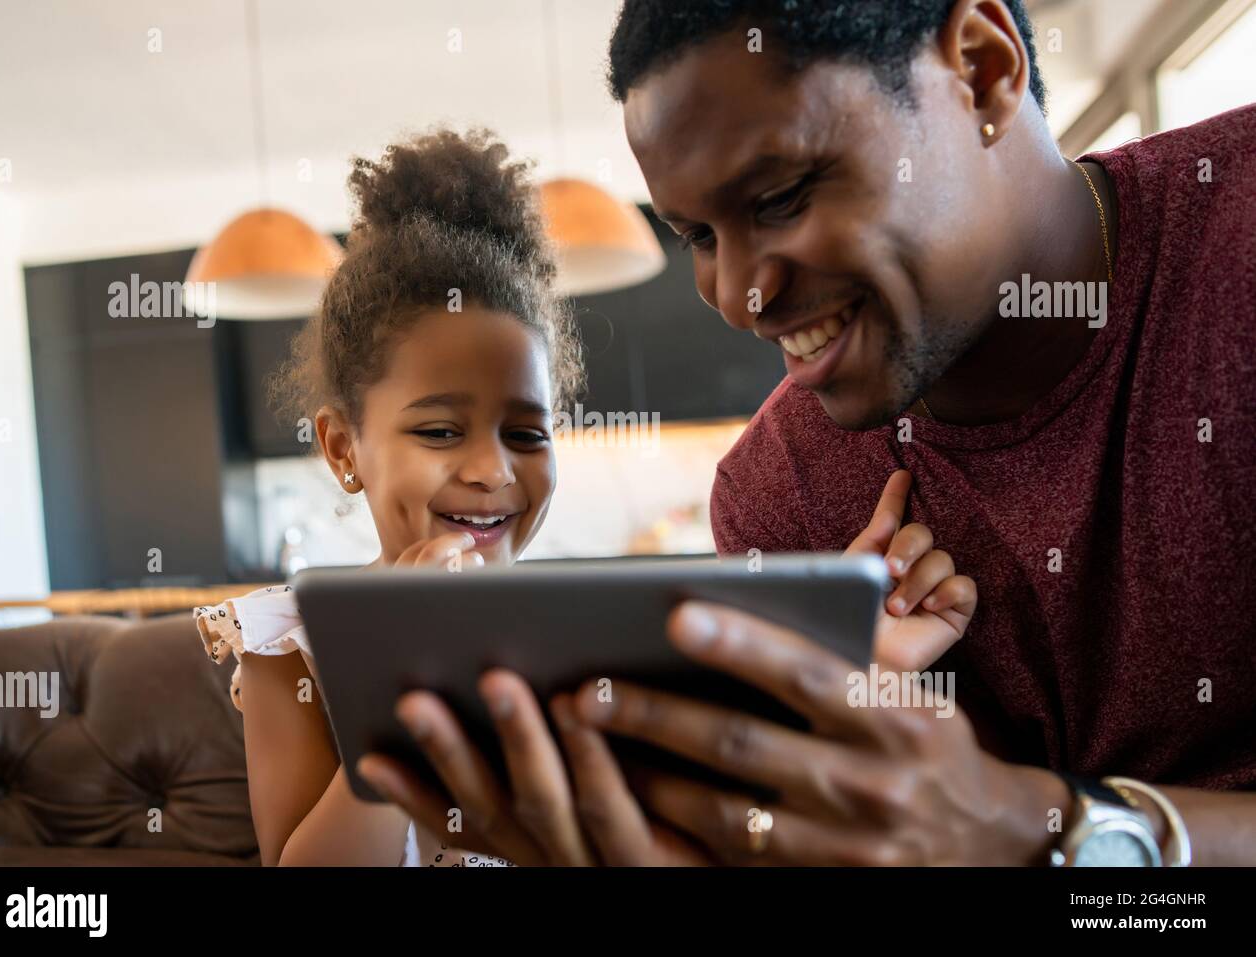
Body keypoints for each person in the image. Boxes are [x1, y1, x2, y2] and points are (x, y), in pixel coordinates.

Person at [362, 0, 1256, 865]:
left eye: (782, 197)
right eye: (698, 237)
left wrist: (1052, 834)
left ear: (981, 72)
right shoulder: (780, 494)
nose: (739, 296)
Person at [195, 128, 585, 866]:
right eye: (440, 430)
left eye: (528, 434)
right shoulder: (291, 643)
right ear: (345, 448)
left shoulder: (574, 631)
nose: (491, 469)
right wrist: (408, 666)